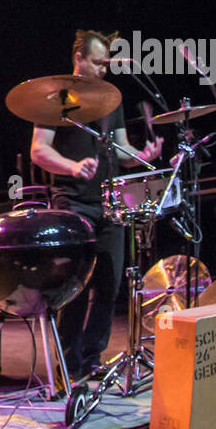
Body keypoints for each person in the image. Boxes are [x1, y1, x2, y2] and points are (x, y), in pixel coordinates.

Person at [29, 30, 162, 381]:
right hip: (72, 201)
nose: (104, 69)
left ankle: (91, 358)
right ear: (79, 59)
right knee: (75, 287)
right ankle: (67, 364)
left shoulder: (112, 101)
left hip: (109, 202)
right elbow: (39, 150)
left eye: (107, 63)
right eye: (98, 62)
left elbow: (119, 149)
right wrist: (72, 167)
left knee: (109, 283)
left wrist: (141, 157)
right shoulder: (56, 97)